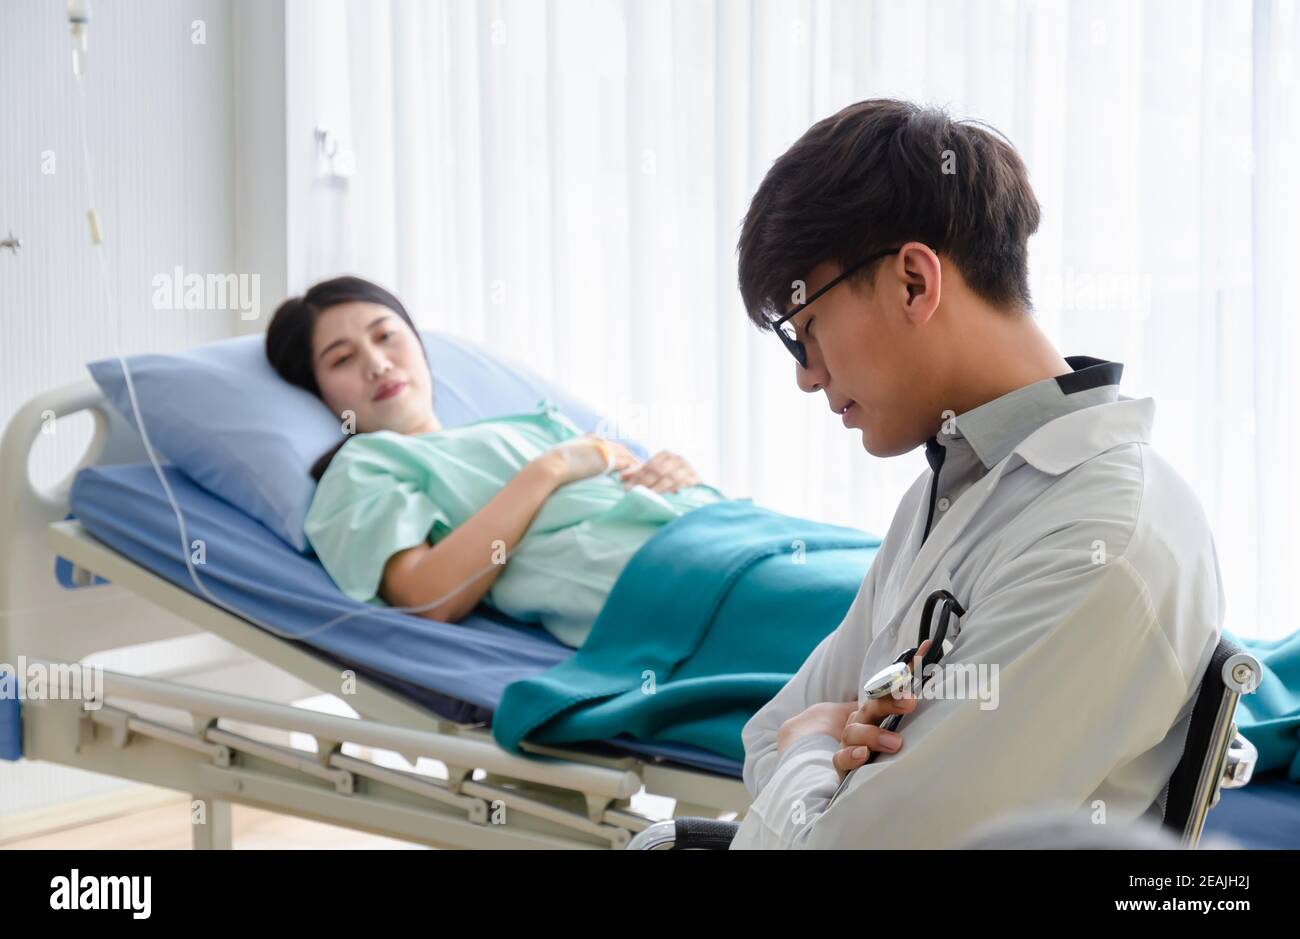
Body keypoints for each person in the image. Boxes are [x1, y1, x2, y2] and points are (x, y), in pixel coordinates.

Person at [728, 99, 1223, 849]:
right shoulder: (951, 485)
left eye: (807, 334)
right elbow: (764, 736)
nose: (808, 377)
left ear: (913, 284)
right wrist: (813, 749)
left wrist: (813, 746)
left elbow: (827, 813)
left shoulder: (1103, 537)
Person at [265, 276, 726, 649]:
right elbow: (428, 596)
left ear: (421, 348)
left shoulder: (526, 426)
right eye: (343, 359)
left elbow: (633, 478)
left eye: (387, 336)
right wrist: (549, 470)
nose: (378, 364)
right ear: (318, 395)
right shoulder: (364, 466)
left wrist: (677, 475)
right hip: (668, 582)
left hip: (726, 528)